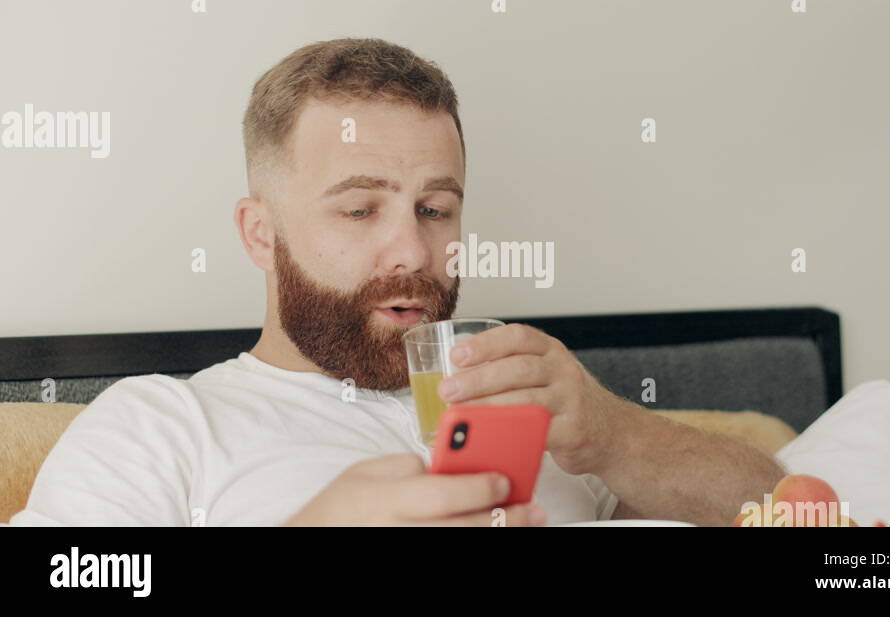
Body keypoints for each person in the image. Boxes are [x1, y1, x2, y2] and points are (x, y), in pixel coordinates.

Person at [10, 38, 786, 528]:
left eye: (435, 208)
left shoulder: (535, 410)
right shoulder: (161, 425)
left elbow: (792, 517)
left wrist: (616, 432)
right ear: (260, 233)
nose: (411, 250)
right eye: (359, 208)